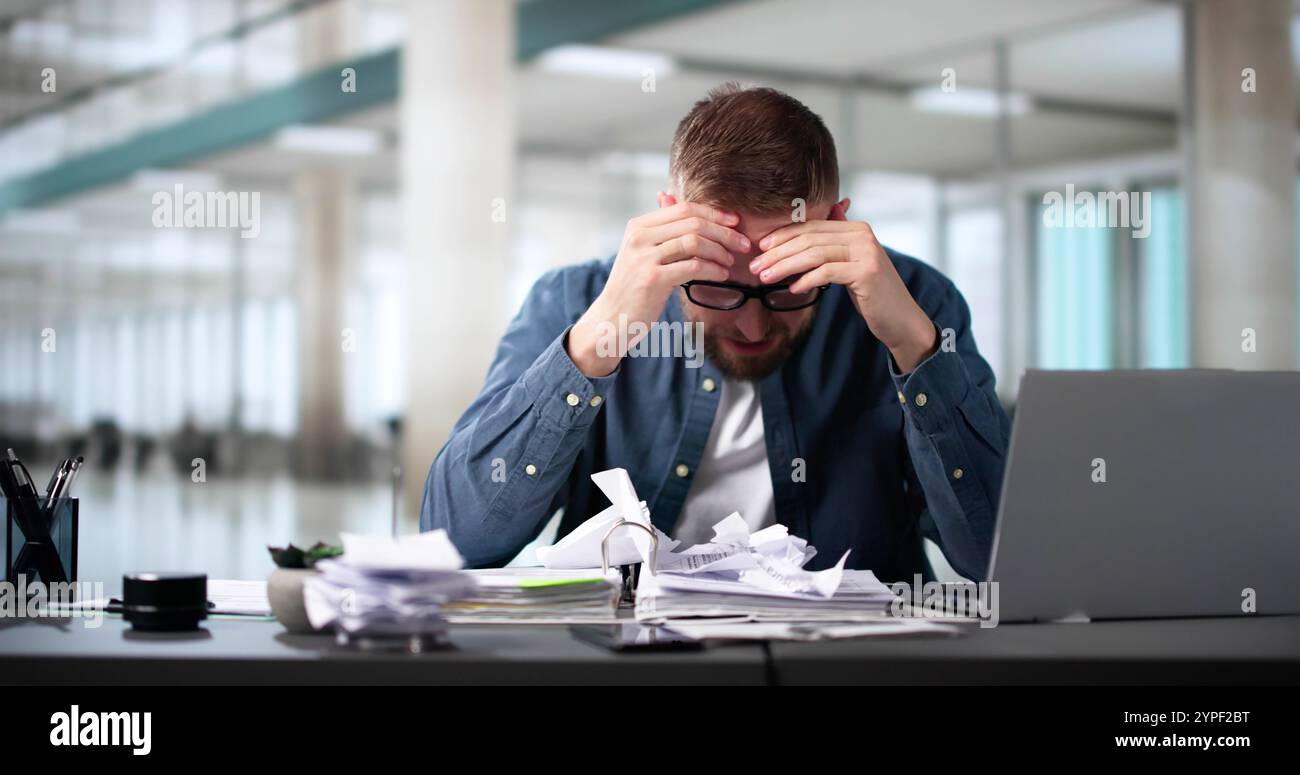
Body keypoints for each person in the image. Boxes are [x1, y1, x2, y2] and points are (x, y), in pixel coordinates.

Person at [421, 83, 1009, 582]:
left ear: (836, 224)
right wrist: (595, 342)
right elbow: (455, 541)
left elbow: (996, 560)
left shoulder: (914, 301)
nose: (752, 324)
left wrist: (915, 348)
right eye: (718, 287)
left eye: (787, 286)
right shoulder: (575, 301)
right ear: (670, 220)